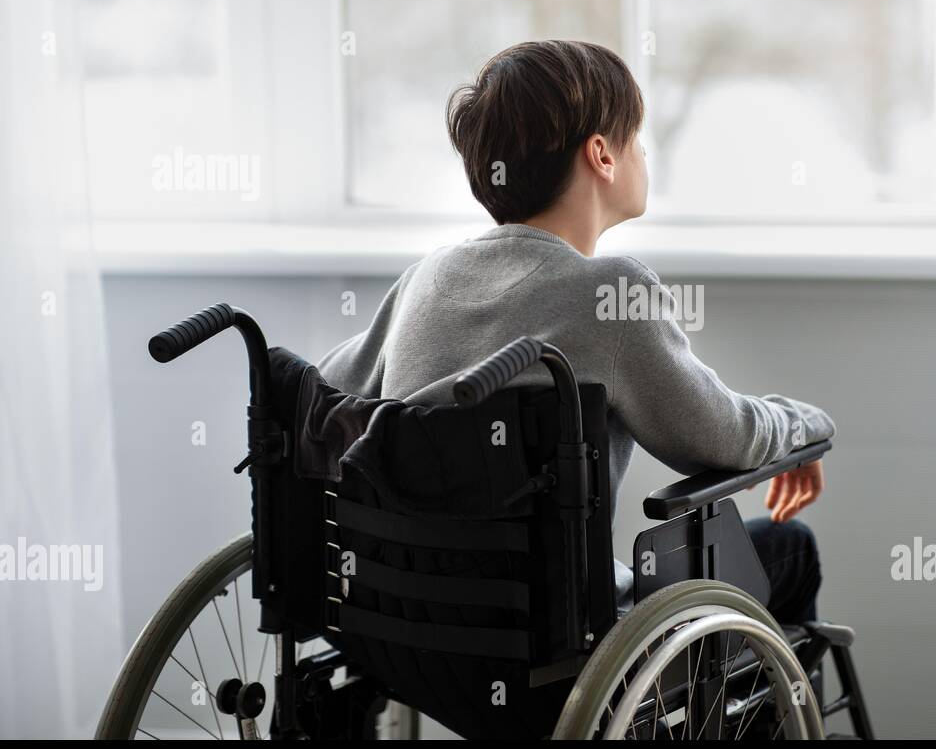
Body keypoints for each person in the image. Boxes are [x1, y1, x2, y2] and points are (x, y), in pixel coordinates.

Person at [318, 40, 834, 624]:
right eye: (634, 138)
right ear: (602, 155)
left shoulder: (426, 278)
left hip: (419, 619)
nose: (642, 153)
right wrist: (804, 428)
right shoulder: (611, 293)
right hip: (557, 626)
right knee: (790, 548)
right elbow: (727, 440)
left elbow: (326, 391)